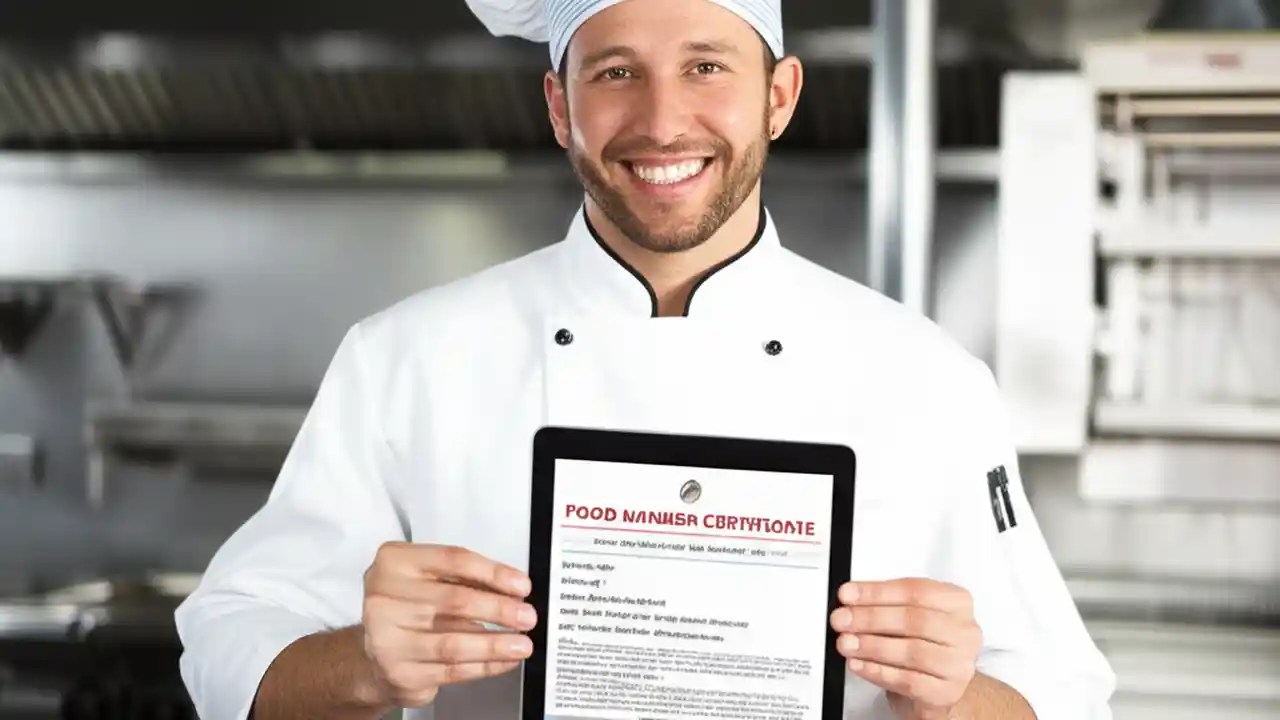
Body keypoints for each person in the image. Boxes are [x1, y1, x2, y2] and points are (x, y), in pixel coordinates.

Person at [174, 0, 1117, 718]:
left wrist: (950, 696)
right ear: (557, 104)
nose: (663, 121)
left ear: (779, 95)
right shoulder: (409, 356)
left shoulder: (927, 379)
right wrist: (367, 665)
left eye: (706, 65)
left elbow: (1064, 697)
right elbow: (224, 646)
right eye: (615, 72)